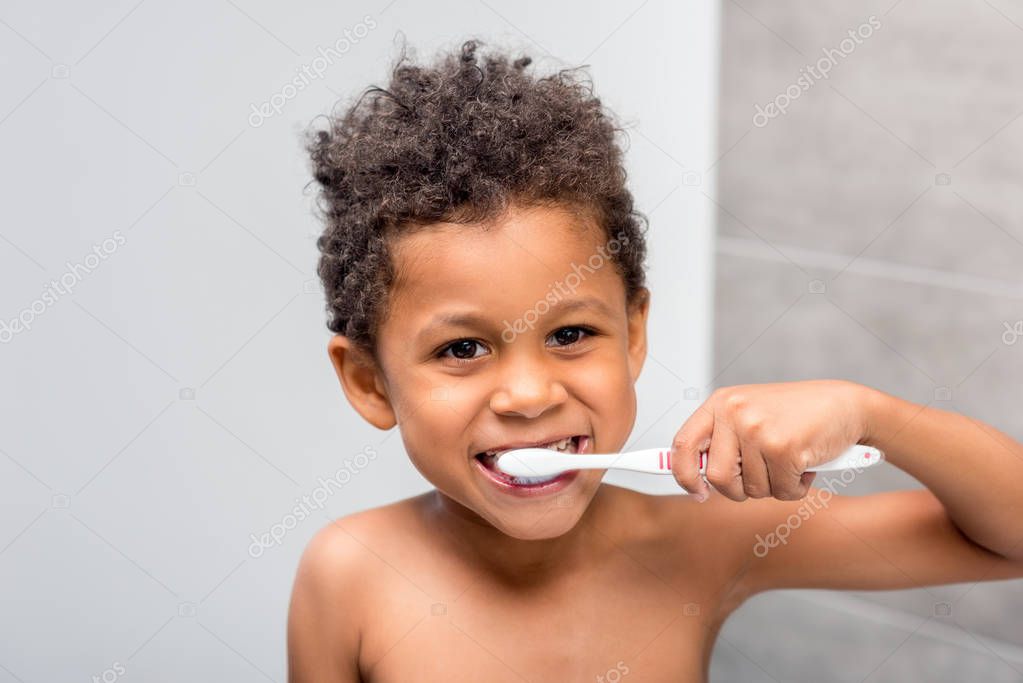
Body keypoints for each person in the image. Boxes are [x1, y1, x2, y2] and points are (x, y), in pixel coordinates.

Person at [287, 38, 1023, 682]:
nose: (527, 392)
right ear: (368, 381)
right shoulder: (349, 575)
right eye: (462, 348)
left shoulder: (704, 538)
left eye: (570, 333)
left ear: (633, 331)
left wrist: (872, 412)